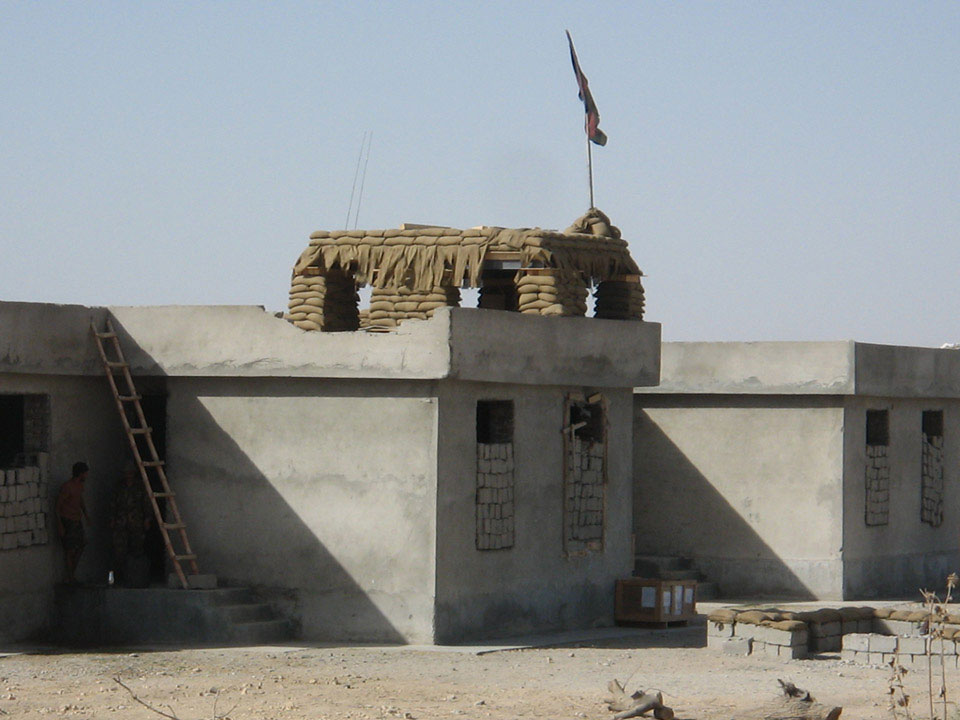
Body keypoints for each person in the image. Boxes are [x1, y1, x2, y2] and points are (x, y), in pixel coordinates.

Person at [110, 464, 152, 586]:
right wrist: (112, 518)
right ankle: (120, 578)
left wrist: (147, 519)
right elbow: (113, 503)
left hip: (136, 522)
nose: (128, 475)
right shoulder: (119, 487)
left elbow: (146, 503)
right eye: (126, 473)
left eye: (130, 472)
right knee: (119, 550)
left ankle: (135, 578)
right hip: (121, 521)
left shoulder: (140, 486)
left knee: (137, 549)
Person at [55, 461, 89, 584]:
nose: (86, 476)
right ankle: (70, 577)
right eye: (85, 473)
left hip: (77, 520)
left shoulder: (80, 486)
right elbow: (57, 506)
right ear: (80, 474)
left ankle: (70, 575)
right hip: (67, 521)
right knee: (69, 550)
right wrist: (60, 525)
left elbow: (80, 500)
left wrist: (86, 515)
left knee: (82, 544)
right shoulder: (67, 487)